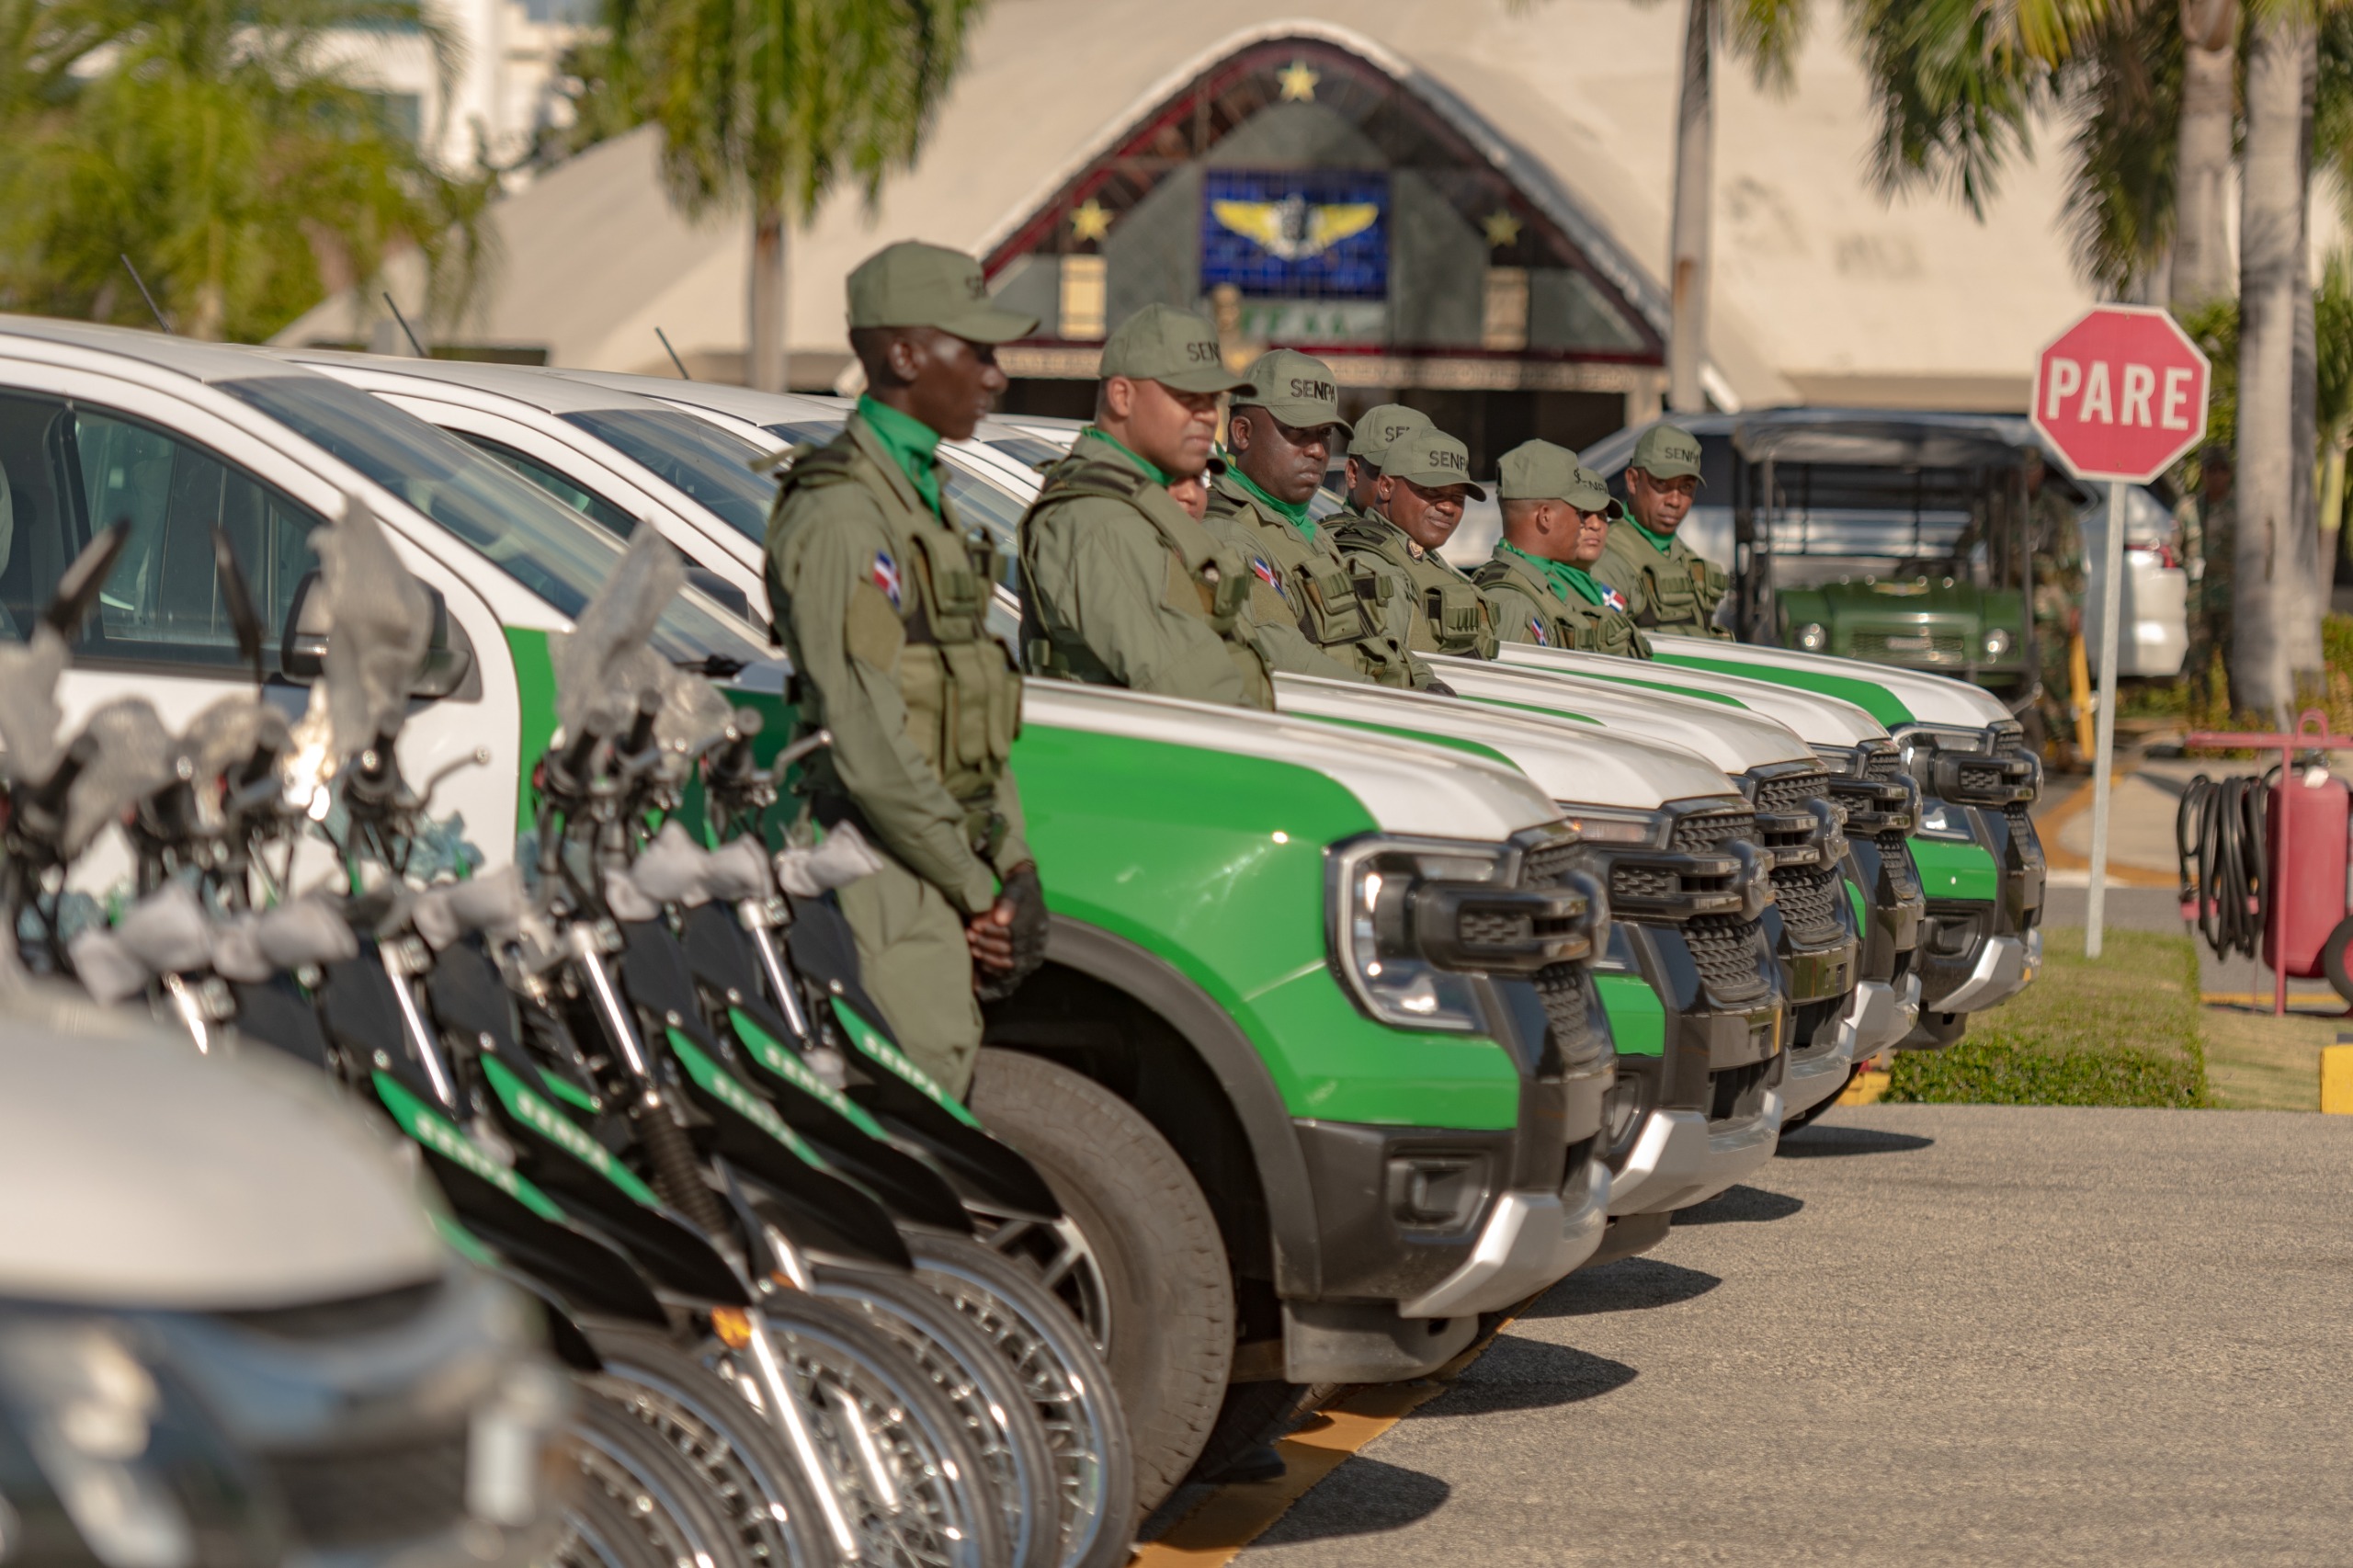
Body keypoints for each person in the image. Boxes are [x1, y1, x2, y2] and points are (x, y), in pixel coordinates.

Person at [763, 241, 1044, 1097]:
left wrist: (1016, 868)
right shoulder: (844, 511)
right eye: (978, 351)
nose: (996, 376)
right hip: (879, 868)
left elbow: (968, 697)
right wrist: (972, 884)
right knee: (907, 1121)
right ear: (905, 356)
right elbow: (865, 726)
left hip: (935, 860)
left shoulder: (923, 497)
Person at [1017, 303, 1279, 709]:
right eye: (1188, 397)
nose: (1208, 414)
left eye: (1212, 399)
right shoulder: (1101, 519)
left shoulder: (1135, 504)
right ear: (1122, 396)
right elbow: (1199, 700)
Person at [1207, 349, 1430, 688]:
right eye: (1298, 432)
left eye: (1325, 433)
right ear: (1242, 433)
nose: (1318, 450)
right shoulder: (1230, 535)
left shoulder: (1307, 531)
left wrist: (1426, 680)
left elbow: (1373, 630)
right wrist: (1395, 702)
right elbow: (1290, 663)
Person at [1329, 423, 1501, 658]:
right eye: (1431, 491)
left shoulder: (1424, 560)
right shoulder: (1368, 564)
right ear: (1386, 487)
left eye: (1457, 497)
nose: (1447, 506)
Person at [1475, 440, 1651, 657]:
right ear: (1545, 517)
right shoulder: (1513, 603)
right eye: (1578, 512)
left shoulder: (1537, 585)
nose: (1585, 524)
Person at [1596, 422, 1732, 639]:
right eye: (1662, 484)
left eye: (1686, 487)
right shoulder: (1605, 555)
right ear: (1632, 481)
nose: (1675, 500)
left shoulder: (1687, 559)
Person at [2174, 445, 2234, 710]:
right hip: (2199, 601)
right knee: (2199, 661)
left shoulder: (2239, 509)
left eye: (2222, 470)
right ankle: (2202, 716)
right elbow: (2175, 548)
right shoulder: (2188, 509)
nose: (2217, 476)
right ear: (2204, 473)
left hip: (2232, 601)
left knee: (2235, 661)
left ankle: (2239, 717)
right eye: (2212, 470)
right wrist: (2187, 565)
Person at [1336, 403, 1432, 517]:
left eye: (1416, 478)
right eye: (1386, 475)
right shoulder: (1331, 535)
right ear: (1353, 474)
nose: (1402, 490)